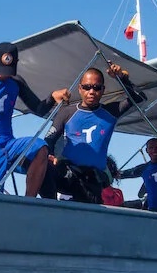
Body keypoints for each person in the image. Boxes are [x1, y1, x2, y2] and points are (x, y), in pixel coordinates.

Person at [0, 42, 65, 197]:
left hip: (8, 145)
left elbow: (39, 108)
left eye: (8, 71)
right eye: (0, 70)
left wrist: (52, 97)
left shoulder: (16, 82)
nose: (3, 75)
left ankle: (28, 202)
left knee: (41, 148)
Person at [43, 64, 146, 203]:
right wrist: (49, 155)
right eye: (87, 87)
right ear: (80, 89)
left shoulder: (111, 111)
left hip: (91, 181)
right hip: (67, 174)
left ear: (103, 90)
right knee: (39, 162)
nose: (91, 91)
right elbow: (49, 139)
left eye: (96, 88)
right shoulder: (67, 112)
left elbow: (140, 97)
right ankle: (46, 207)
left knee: (86, 206)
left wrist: (121, 77)